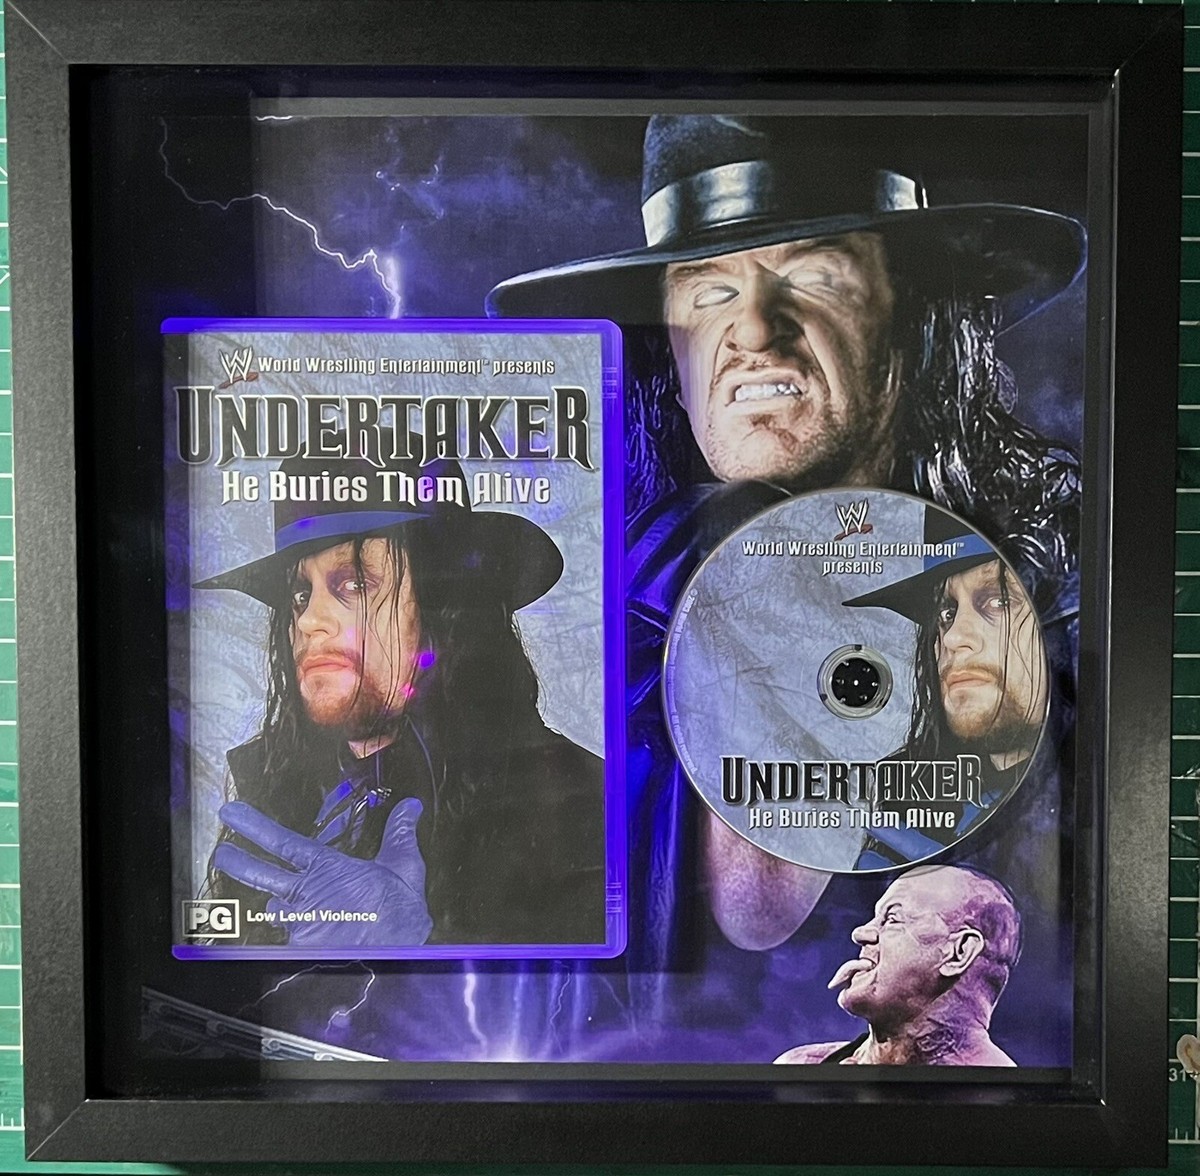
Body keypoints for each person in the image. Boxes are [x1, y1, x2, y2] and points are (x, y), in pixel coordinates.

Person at [489, 114, 1083, 993]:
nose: (755, 330)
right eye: (708, 291)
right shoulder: (604, 619)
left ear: (913, 320)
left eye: (814, 276)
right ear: (669, 353)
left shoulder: (1053, 613)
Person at [196, 450, 606, 948]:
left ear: (442, 610)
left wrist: (416, 944)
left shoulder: (581, 806)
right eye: (301, 594)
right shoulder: (274, 793)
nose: (308, 621)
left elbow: (603, 991)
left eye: (354, 583)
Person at [843, 506, 1049, 868]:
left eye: (999, 601)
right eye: (946, 613)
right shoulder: (907, 797)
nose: (953, 637)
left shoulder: (1094, 794)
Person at [774, 865, 1022, 1066]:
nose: (861, 933)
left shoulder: (1004, 1096)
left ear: (959, 952)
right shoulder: (802, 1067)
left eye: (892, 918)